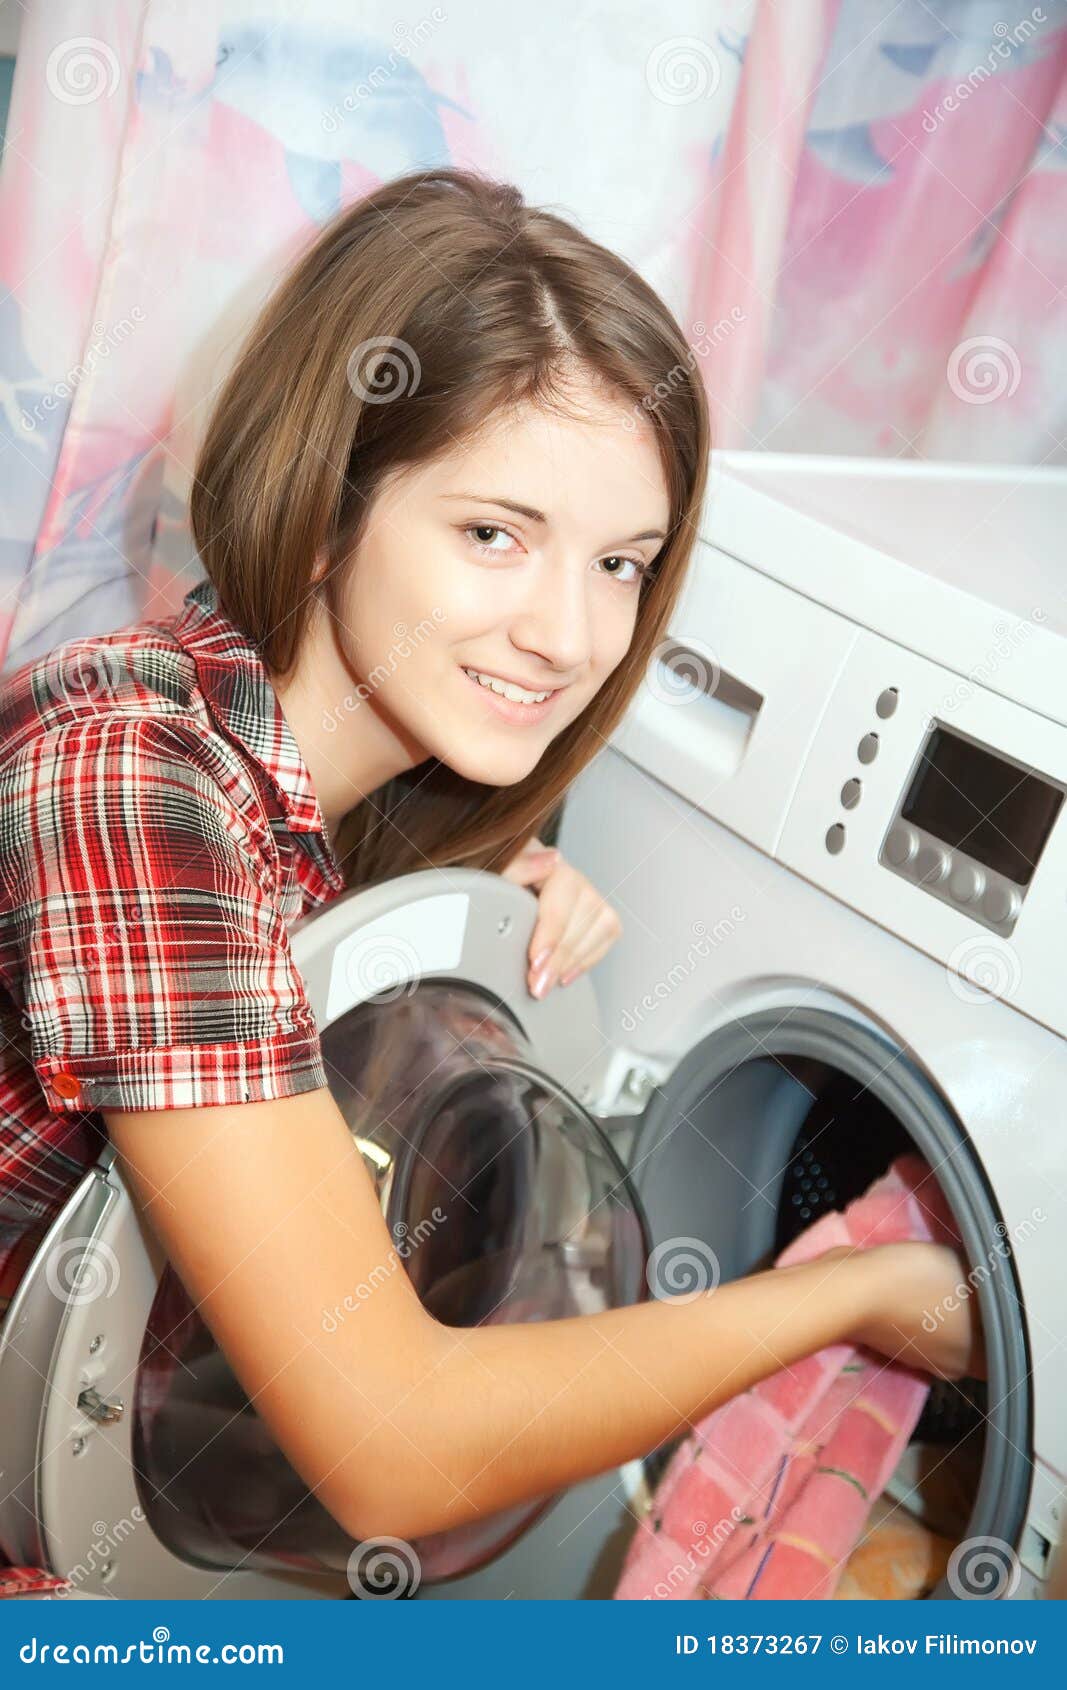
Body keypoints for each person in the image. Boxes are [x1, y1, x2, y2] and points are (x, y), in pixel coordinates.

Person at [0, 166, 982, 1568]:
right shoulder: (129, 776)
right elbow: (387, 1447)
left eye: (621, 563)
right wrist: (849, 1293)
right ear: (329, 506)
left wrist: (453, 919)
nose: (570, 637)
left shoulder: (345, 790)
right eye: (493, 535)